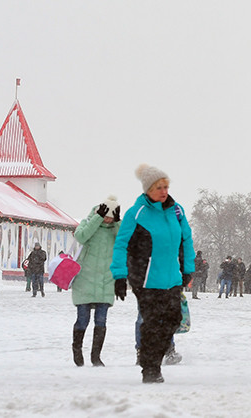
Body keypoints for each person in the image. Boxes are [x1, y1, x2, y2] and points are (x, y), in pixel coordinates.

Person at [111, 163, 195, 384]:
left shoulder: (177, 211)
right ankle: (151, 369)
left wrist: (188, 269)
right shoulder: (136, 213)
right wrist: (120, 275)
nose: (164, 191)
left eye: (166, 186)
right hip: (145, 279)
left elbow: (186, 240)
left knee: (174, 319)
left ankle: (153, 360)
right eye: (158, 187)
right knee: (151, 323)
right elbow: (121, 244)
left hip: (172, 278)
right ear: (147, 189)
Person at [70, 195, 120, 367]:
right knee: (83, 319)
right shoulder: (88, 222)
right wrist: (98, 217)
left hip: (106, 281)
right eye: (106, 215)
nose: (108, 219)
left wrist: (118, 222)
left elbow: (125, 241)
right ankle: (77, 350)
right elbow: (81, 236)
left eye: (111, 216)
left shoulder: (115, 230)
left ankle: (96, 356)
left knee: (101, 321)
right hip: (84, 279)